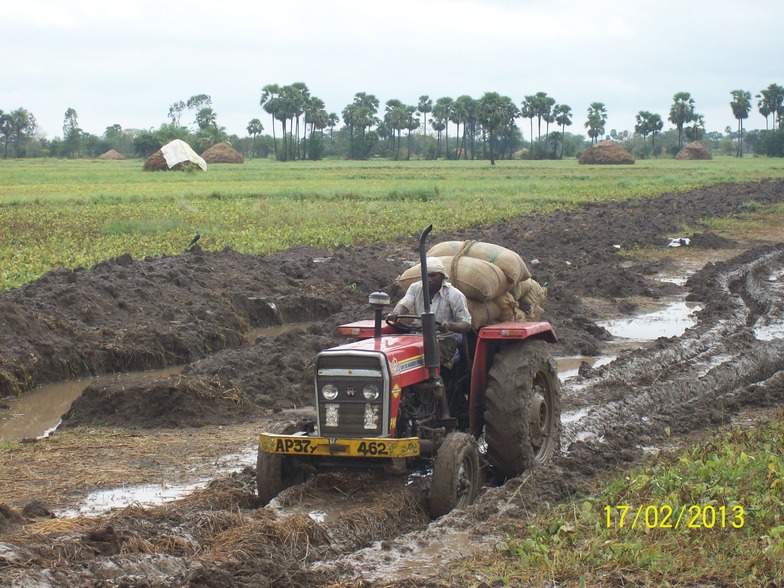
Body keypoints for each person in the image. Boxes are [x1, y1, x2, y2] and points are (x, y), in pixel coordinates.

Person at [387, 257, 471, 337]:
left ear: (442, 276)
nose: (429, 279)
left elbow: (466, 324)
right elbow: (405, 304)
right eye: (426, 276)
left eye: (433, 275)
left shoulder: (454, 295)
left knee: (435, 348)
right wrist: (396, 313)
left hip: (444, 339)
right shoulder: (415, 288)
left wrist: (449, 325)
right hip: (419, 338)